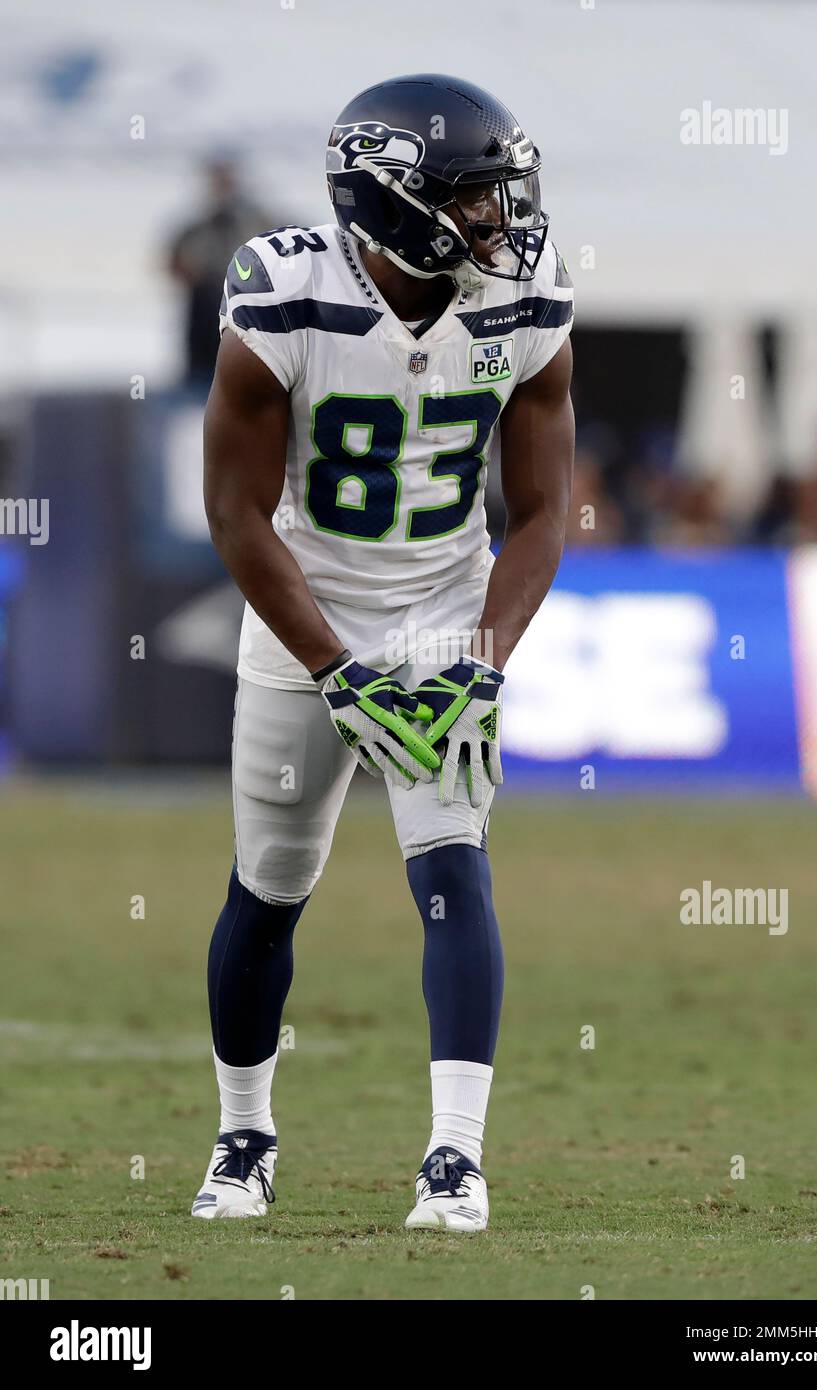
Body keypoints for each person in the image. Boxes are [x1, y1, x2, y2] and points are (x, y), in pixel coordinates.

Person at [195, 73, 574, 1232]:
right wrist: (333, 668)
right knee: (269, 889)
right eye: (471, 199)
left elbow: (546, 511)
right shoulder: (282, 290)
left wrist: (481, 659)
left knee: (452, 869)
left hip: (440, 610)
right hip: (304, 608)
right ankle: (243, 1135)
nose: (499, 222)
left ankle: (453, 1160)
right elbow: (236, 514)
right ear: (395, 202)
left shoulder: (527, 299)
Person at [168, 158, 272, 387]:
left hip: (245, 322)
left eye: (226, 180)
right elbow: (172, 263)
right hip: (204, 323)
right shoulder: (196, 228)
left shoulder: (256, 221)